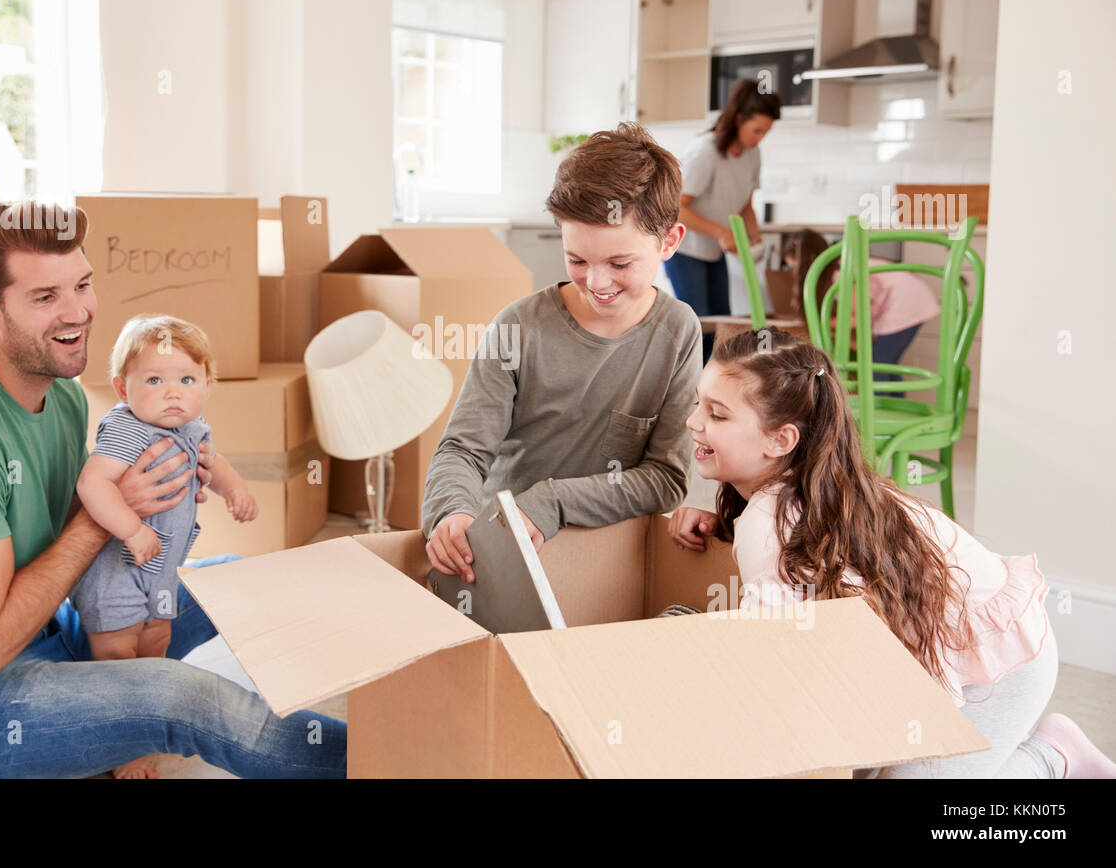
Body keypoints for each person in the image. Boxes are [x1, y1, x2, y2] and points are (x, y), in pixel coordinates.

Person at [0, 201, 345, 778]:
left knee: (236, 578)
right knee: (181, 698)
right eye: (44, 297)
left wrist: (170, 485)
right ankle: (403, 761)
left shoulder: (63, 396)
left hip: (45, 637)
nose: (77, 312)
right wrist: (111, 513)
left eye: (82, 284)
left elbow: (77, 534)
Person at [671, 327, 1115, 778]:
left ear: (781, 441)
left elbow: (760, 648)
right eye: (697, 403)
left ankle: (1053, 757)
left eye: (717, 415)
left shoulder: (770, 519)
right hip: (964, 639)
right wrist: (714, 516)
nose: (693, 422)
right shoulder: (813, 483)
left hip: (996, 668)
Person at [422, 122, 704, 582]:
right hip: (502, 553)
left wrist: (553, 500)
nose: (597, 282)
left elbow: (666, 479)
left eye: (620, 263)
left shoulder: (678, 330)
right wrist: (450, 511)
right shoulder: (519, 326)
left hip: (612, 560)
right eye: (577, 260)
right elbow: (463, 450)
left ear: (669, 242)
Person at [71, 313, 258, 778]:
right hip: (117, 575)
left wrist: (233, 489)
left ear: (207, 383)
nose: (173, 392)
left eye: (187, 379)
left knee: (156, 644)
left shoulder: (193, 429)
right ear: (122, 388)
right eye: (154, 379)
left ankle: (147, 721)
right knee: (118, 662)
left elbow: (212, 465)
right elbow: (93, 485)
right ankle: (121, 750)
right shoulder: (127, 430)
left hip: (162, 573)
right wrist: (132, 529)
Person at [666, 78, 780, 361]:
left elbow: (745, 204)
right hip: (685, 250)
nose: (760, 137)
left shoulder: (752, 154)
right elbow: (676, 207)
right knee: (699, 326)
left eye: (766, 132)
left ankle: (713, 393)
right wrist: (721, 232)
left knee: (720, 325)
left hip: (713, 250)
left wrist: (752, 234)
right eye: (757, 130)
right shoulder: (706, 151)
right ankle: (692, 396)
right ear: (739, 119)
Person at [784, 228, 940, 395]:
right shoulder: (841, 266)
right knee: (886, 365)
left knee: (876, 366)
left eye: (795, 268)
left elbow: (858, 318)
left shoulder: (839, 275)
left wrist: (824, 323)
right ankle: (897, 408)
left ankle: (879, 413)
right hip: (912, 298)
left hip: (905, 302)